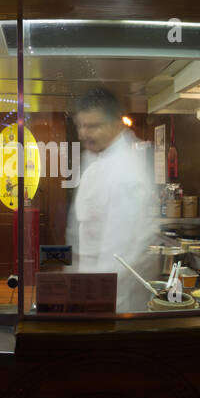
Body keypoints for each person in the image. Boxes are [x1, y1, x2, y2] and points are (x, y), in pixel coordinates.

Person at [65, 87, 159, 312]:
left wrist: (91, 306)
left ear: (117, 124)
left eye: (93, 126)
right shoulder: (96, 155)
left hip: (111, 302)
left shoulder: (125, 173)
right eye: (80, 126)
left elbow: (117, 255)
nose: (83, 134)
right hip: (89, 287)